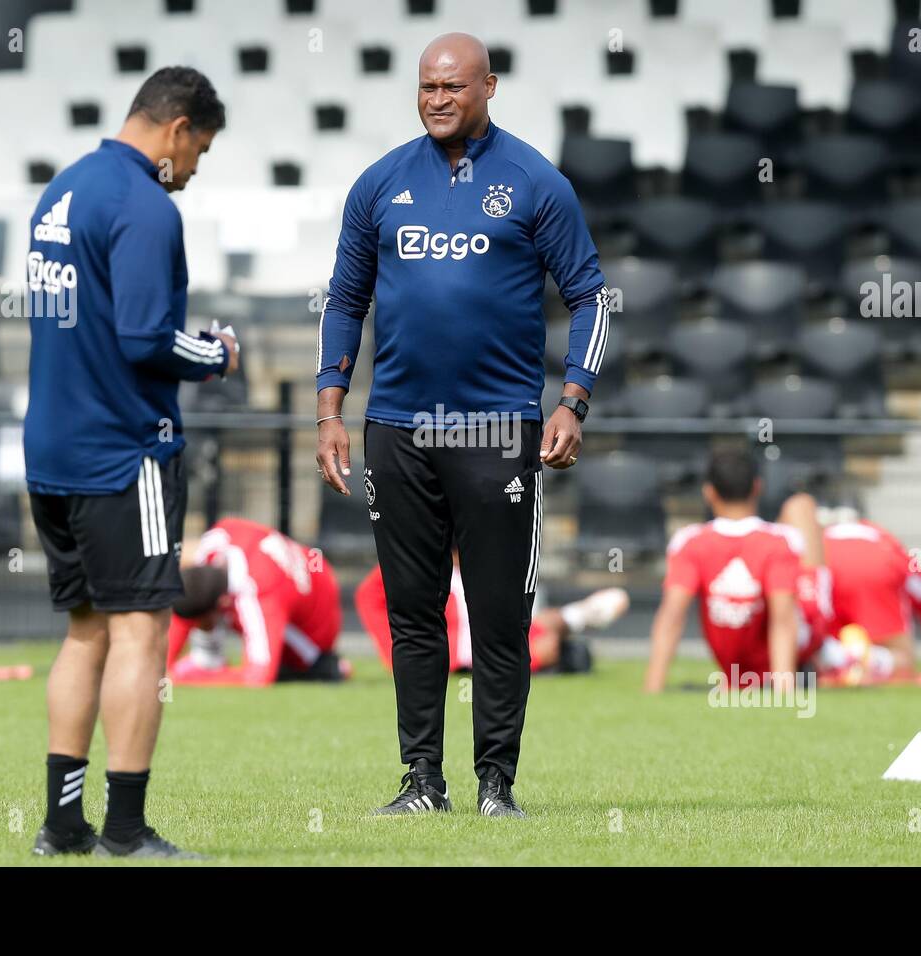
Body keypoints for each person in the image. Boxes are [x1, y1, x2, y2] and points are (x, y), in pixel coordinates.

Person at [314, 34, 608, 817]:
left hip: (496, 434)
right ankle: (421, 782)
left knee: (498, 616)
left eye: (452, 86)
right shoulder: (380, 184)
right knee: (413, 616)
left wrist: (572, 399)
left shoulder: (534, 182)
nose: (437, 99)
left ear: (488, 87)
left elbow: (591, 296)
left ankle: (496, 785)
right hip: (398, 430)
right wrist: (329, 411)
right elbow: (345, 302)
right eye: (426, 87)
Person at [23, 67, 236, 859]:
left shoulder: (62, 192)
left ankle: (61, 823)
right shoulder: (144, 205)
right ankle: (124, 829)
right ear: (178, 129)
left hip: (51, 449)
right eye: (201, 151)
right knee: (142, 633)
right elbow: (146, 338)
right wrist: (216, 353)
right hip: (124, 452)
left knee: (85, 633)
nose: (192, 171)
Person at [644, 452, 829, 693]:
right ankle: (830, 653)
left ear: (708, 492)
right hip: (797, 641)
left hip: (751, 657)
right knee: (801, 505)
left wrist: (652, 687)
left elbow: (671, 617)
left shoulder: (689, 540)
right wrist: (784, 689)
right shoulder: (780, 540)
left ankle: (830, 654)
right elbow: (783, 619)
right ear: (757, 487)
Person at [356, 556, 628, 674]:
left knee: (530, 630)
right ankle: (573, 617)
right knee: (539, 641)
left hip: (465, 629)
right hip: (463, 640)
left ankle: (571, 618)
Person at [166, 518, 350, 686]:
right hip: (303, 571)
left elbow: (258, 677)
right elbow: (193, 599)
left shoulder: (257, 596)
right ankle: (206, 658)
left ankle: (329, 665)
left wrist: (186, 678)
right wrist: (164, 664)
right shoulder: (220, 534)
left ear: (221, 604)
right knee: (198, 602)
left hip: (318, 620)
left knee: (295, 667)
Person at [822, 513, 921, 686]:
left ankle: (838, 660)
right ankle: (866, 660)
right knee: (902, 660)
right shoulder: (888, 542)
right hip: (878, 570)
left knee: (827, 642)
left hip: (824, 567)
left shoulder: (819, 538)